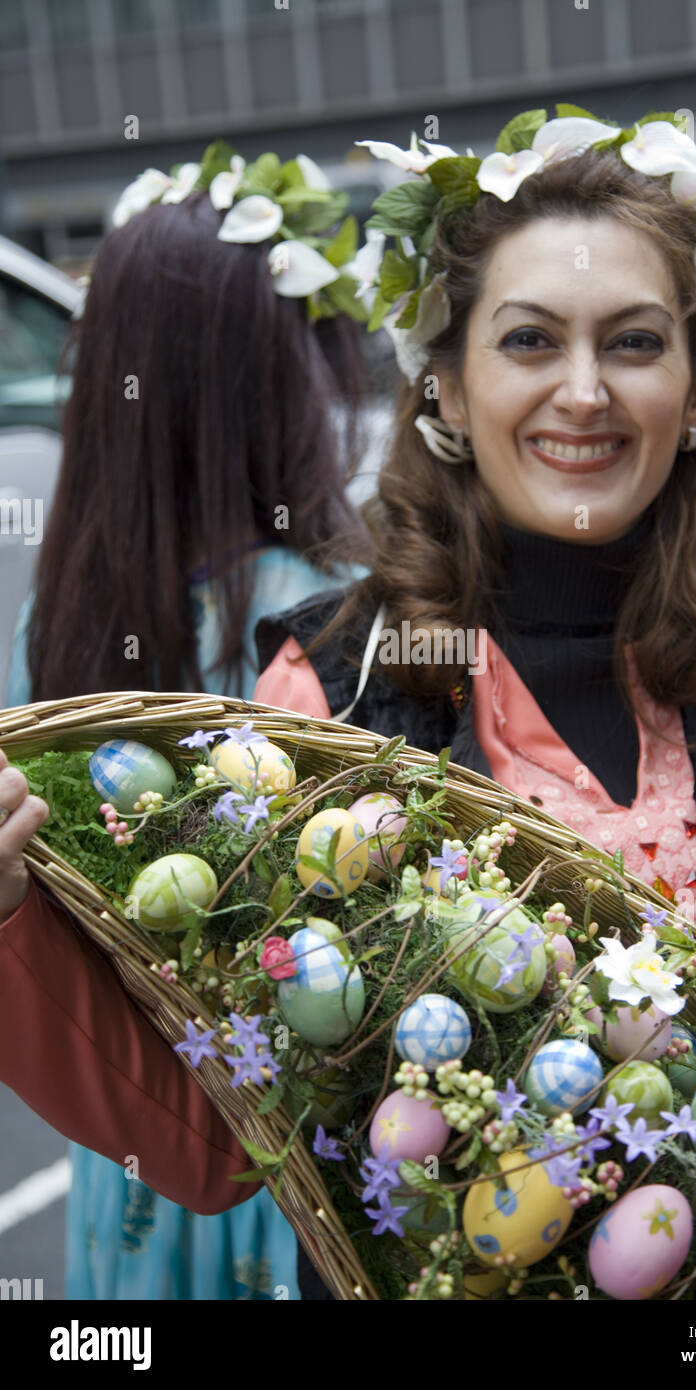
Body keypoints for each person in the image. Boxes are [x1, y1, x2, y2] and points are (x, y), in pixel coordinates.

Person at [0, 108, 696, 1279]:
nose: (581, 391)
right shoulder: (331, 691)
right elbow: (218, 1133)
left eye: (631, 342)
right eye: (525, 342)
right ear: (445, 391)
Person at [2, 143, 370, 1300]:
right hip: (288, 1162)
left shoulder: (46, 632)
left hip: (130, 1147)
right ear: (280, 376)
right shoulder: (325, 625)